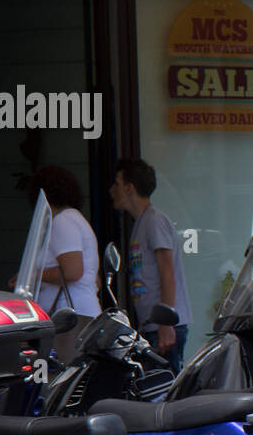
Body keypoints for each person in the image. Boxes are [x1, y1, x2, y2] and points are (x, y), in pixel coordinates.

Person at [108, 157, 192, 372]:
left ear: (129, 188)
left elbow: (167, 272)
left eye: (116, 184)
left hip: (165, 327)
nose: (111, 190)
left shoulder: (155, 220)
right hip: (153, 326)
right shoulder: (141, 223)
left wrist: (166, 323)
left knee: (163, 393)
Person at [27, 166, 100, 364]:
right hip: (82, 312)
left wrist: (34, 276)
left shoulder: (62, 222)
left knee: (60, 378)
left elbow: (73, 271)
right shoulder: (76, 219)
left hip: (68, 318)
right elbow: (94, 278)